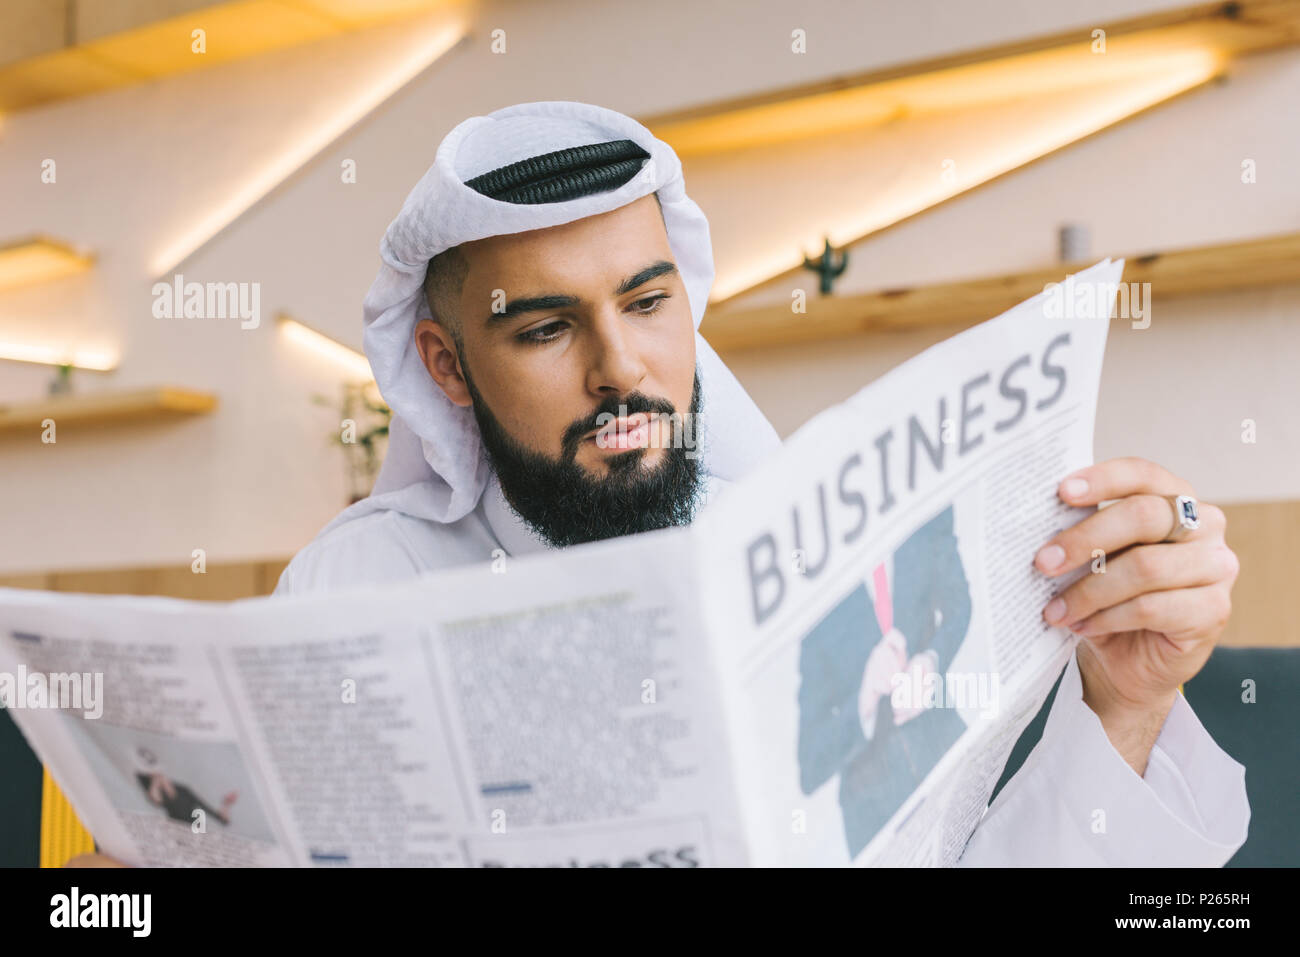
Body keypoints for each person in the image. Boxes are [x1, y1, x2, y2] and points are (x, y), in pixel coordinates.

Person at [72, 100, 1247, 867]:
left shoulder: (798, 555)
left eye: (646, 304)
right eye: (543, 329)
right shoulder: (358, 584)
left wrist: (1127, 706)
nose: (620, 368)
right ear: (445, 365)